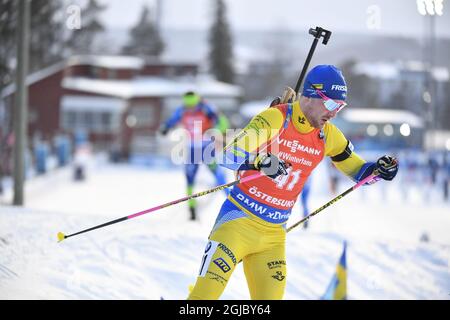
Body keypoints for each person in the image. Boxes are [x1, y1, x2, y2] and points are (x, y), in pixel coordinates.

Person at [187, 65, 398, 300]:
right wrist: (262, 161)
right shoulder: (276, 118)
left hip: (273, 237)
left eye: (340, 106)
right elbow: (229, 155)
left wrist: (380, 170)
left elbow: (360, 172)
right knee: (202, 300)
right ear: (310, 96)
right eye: (330, 104)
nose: (334, 112)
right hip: (237, 223)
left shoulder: (328, 135)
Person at [160, 91, 228, 221]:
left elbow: (221, 121)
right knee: (190, 177)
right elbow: (173, 119)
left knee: (218, 175)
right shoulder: (183, 110)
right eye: (188, 106)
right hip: (192, 148)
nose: (190, 109)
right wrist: (166, 127)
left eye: (192, 106)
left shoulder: (206, 108)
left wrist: (216, 131)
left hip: (207, 148)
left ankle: (232, 200)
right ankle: (191, 208)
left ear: (197, 102)